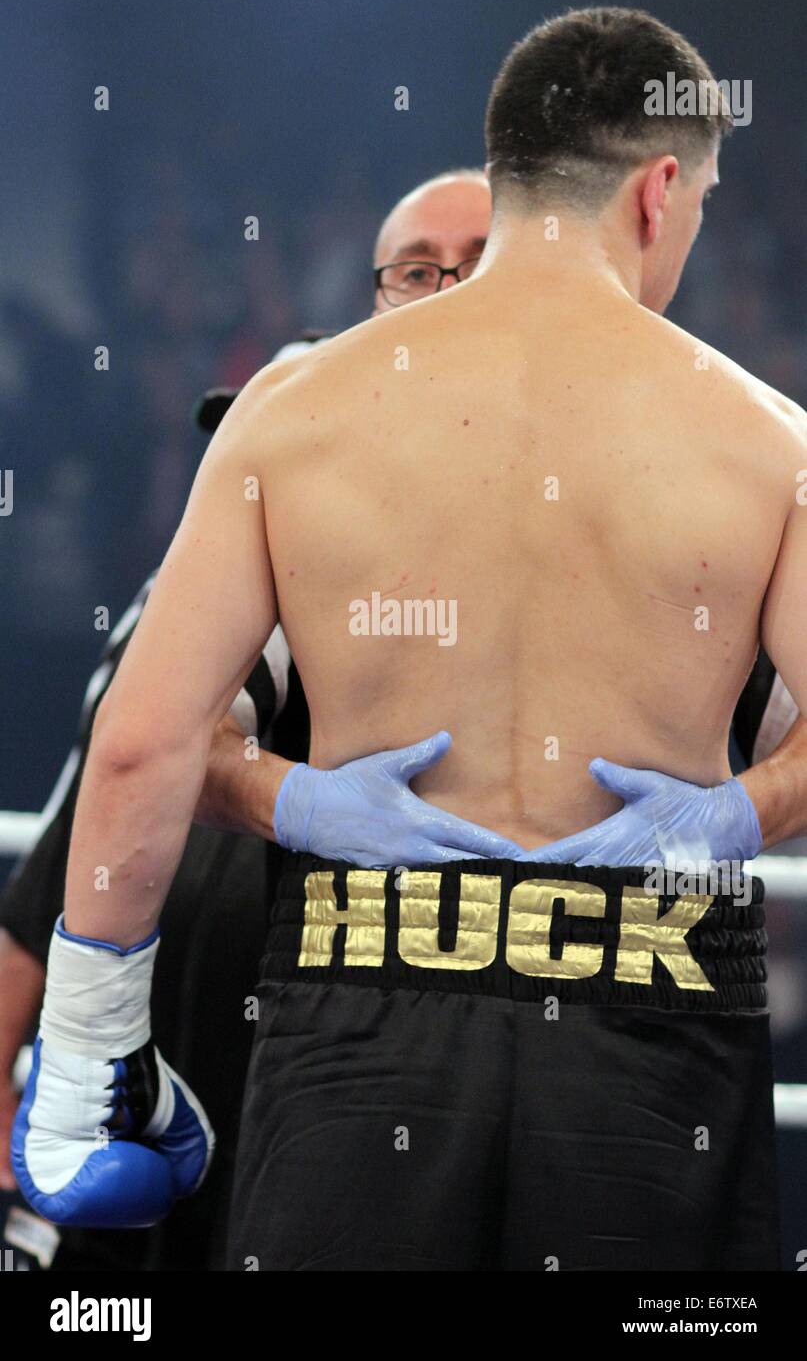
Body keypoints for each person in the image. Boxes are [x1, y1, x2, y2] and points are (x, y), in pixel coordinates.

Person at [11, 8, 807, 1267]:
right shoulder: (770, 442)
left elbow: (137, 747)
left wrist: (91, 1050)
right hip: (656, 1027)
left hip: (357, 1008)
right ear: (661, 190)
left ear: (507, 169)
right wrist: (730, 817)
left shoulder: (294, 410)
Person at [0, 169, 498, 1269]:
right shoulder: (166, 625)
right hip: (163, 1044)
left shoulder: (480, 582)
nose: (254, 481)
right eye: (419, 269)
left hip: (355, 1067)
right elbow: (54, 869)